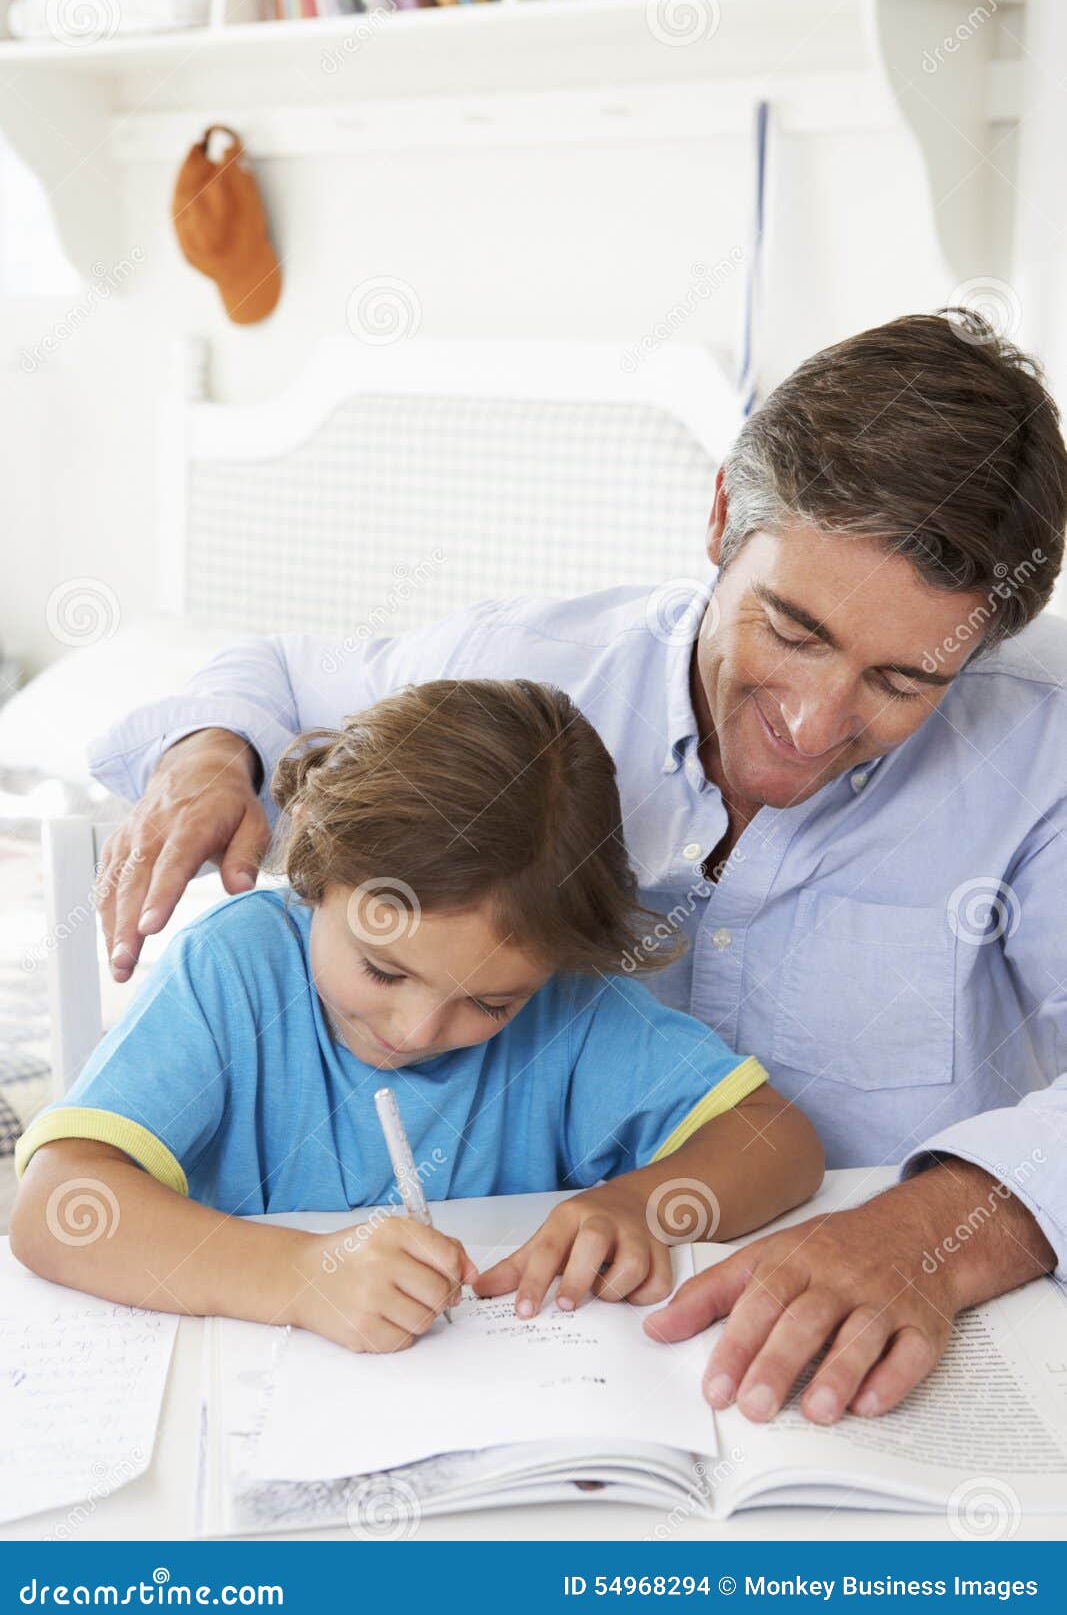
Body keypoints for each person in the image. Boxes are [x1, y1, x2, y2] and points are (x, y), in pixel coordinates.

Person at [87, 311, 1067, 1422]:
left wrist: (932, 1235)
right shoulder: (512, 686)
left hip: (898, 1335)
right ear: (717, 520)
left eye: (898, 683)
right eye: (791, 631)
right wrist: (211, 750)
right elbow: (262, 675)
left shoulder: (1042, 753)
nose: (810, 718)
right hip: (564, 1350)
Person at [11, 680, 823, 1354]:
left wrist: (637, 1208)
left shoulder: (569, 1004)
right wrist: (300, 1276)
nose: (415, 1030)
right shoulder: (238, 970)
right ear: (313, 872)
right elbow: (57, 1209)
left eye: (489, 1003)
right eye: (382, 969)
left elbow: (777, 1142)